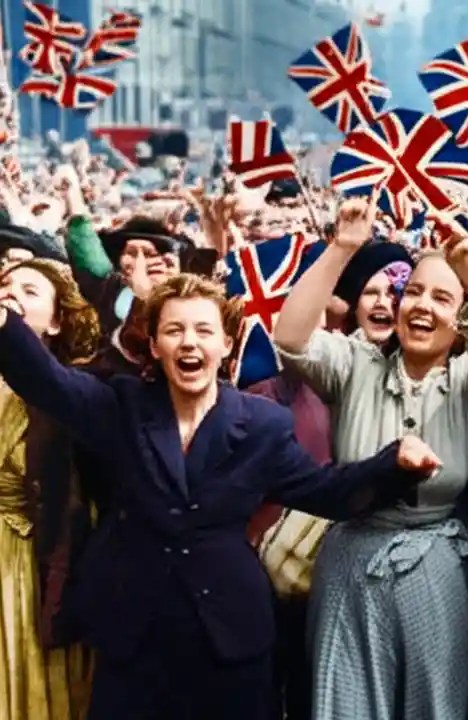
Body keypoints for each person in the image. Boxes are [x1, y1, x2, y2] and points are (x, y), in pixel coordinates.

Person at [0, 271, 435, 720]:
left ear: (226, 344)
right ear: (154, 346)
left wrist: (395, 465)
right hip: (132, 631)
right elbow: (48, 382)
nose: (189, 342)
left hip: (230, 637)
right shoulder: (121, 405)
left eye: (203, 330)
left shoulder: (263, 425)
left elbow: (330, 493)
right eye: (174, 330)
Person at [273, 198, 468, 720]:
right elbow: (290, 338)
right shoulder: (354, 363)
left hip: (439, 568)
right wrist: (342, 248)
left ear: (462, 319)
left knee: (437, 706)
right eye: (413, 291)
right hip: (351, 563)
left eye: (443, 298)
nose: (422, 307)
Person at [0, 259, 100, 719]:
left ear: (58, 321)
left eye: (29, 290)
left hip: (29, 566)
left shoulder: (74, 394)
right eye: (4, 285)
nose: (11, 294)